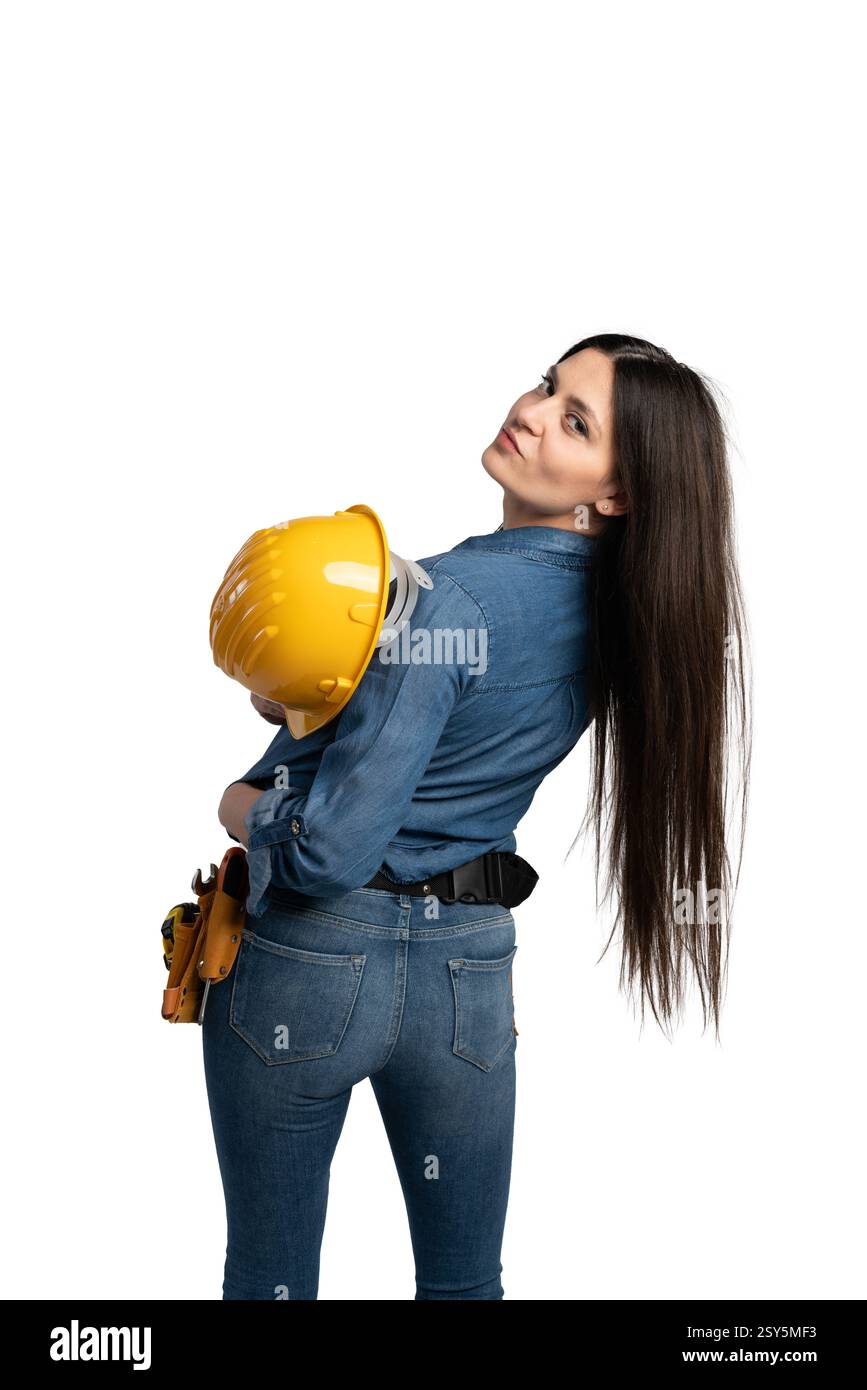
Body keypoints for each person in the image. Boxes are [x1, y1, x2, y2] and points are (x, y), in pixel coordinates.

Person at [203, 331, 752, 1300]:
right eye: (549, 385)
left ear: (613, 494)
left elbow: (330, 848)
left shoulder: (446, 596)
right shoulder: (630, 620)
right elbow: (455, 742)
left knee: (271, 1277)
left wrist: (247, 804)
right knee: (463, 1285)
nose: (532, 413)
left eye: (574, 422)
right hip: (468, 977)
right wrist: (327, 695)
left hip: (315, 966)